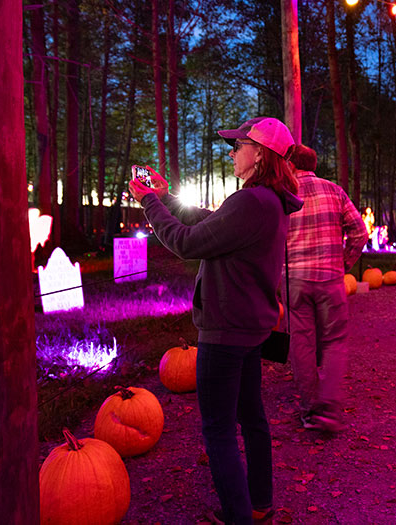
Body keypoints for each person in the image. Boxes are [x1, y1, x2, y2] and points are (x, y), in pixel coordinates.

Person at [129, 117, 303, 524]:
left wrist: (149, 203)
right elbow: (209, 221)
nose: (231, 152)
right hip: (249, 328)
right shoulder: (267, 201)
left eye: (238, 145)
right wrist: (166, 197)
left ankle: (240, 516)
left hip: (225, 331)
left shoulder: (251, 201)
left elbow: (187, 242)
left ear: (259, 153)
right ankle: (259, 504)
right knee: (252, 418)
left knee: (219, 430)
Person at [284, 144, 368, 433]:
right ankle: (329, 409)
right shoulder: (334, 191)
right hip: (330, 277)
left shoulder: (283, 194)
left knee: (301, 342)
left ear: (291, 165)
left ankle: (309, 411)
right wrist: (343, 263)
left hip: (294, 280)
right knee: (334, 340)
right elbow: (359, 232)